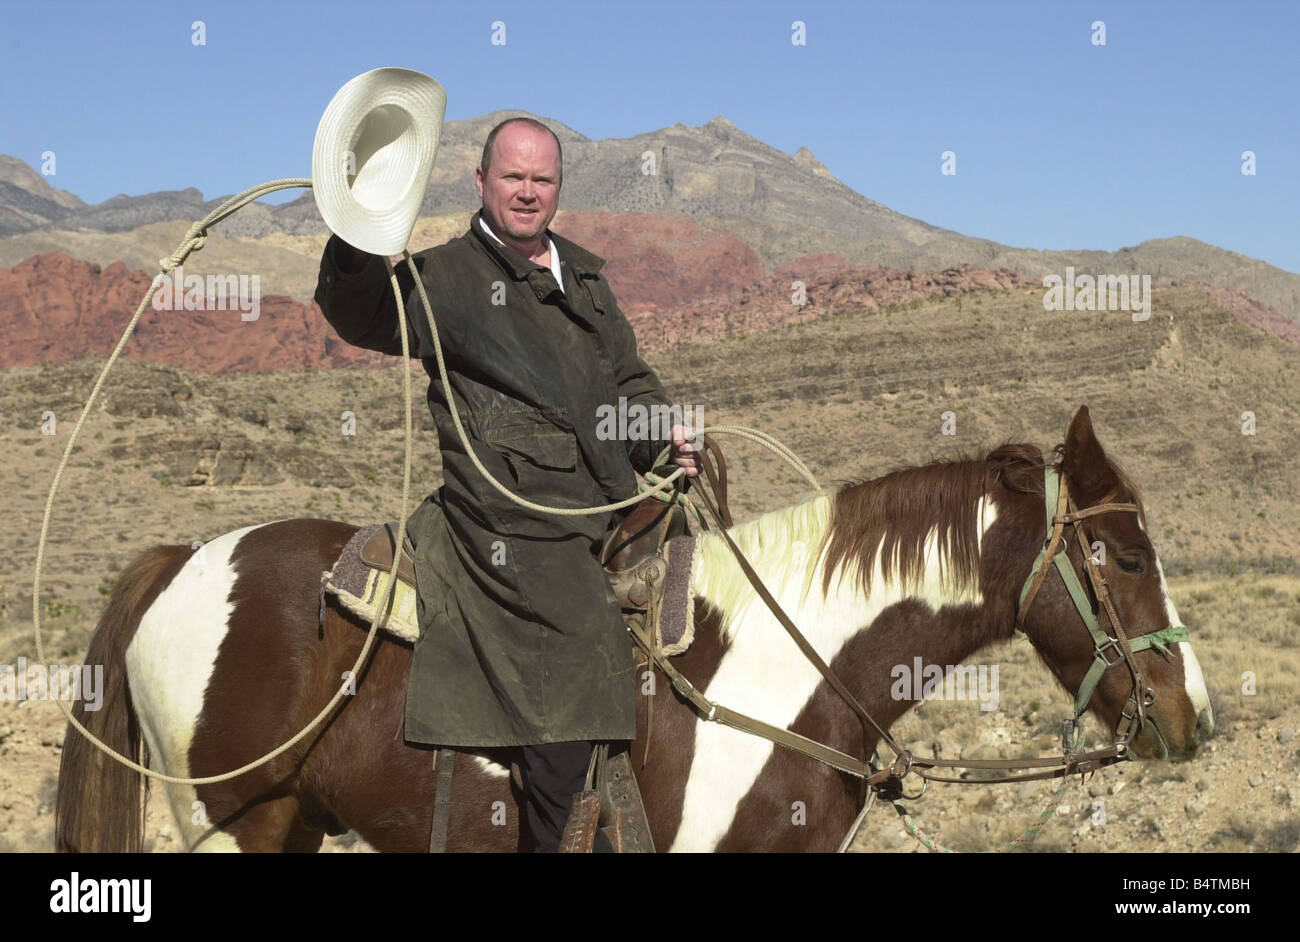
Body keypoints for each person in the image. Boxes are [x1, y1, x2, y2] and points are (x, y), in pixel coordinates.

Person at [314, 116, 700, 852]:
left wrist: (664, 433)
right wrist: (360, 229)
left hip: (603, 501)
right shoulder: (452, 279)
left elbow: (628, 382)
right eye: (513, 177)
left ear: (559, 187)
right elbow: (365, 313)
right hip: (510, 522)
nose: (527, 192)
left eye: (542, 179)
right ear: (482, 181)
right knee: (573, 660)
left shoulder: (584, 275)